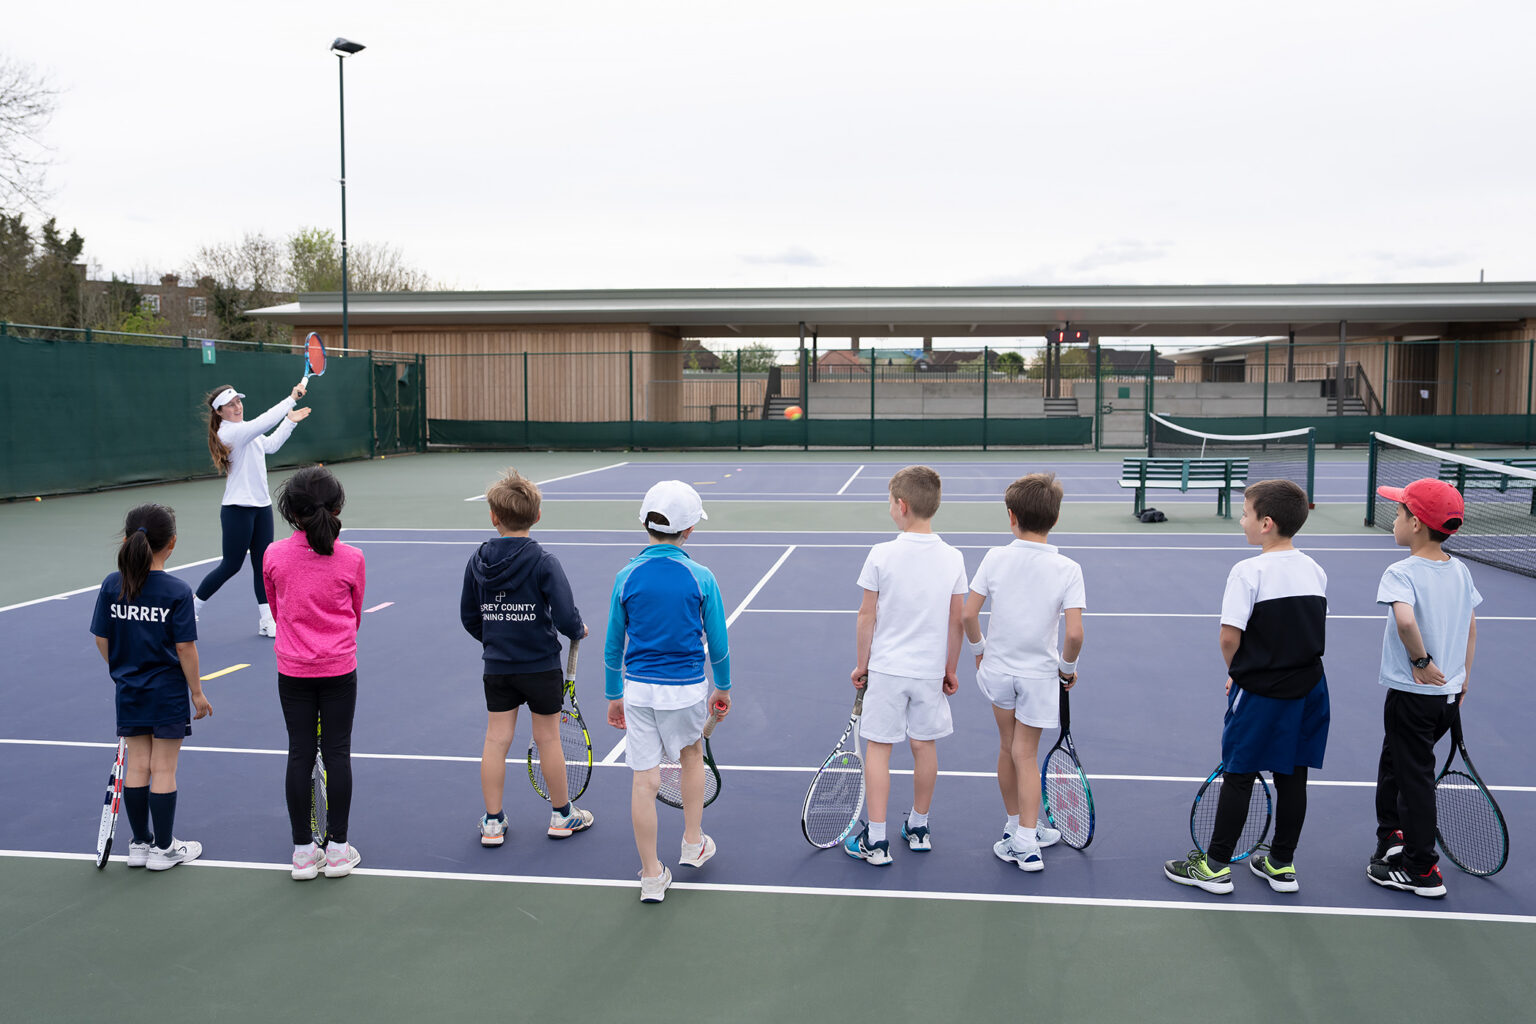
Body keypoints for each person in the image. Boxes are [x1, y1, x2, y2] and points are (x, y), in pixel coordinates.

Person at [1164, 479, 1329, 895]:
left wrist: (1239, 673)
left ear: (1266, 523)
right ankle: (1281, 863)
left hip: (1261, 695)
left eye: (1245, 514)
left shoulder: (1247, 571)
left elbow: (1228, 637)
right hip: (1311, 689)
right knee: (1294, 777)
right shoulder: (1315, 569)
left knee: (1239, 774)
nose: (1242, 521)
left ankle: (1215, 866)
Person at [604, 481, 731, 903]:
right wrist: (724, 688)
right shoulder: (702, 576)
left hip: (638, 692)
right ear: (690, 530)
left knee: (645, 781)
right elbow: (719, 641)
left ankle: (651, 875)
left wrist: (612, 694)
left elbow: (612, 644)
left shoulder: (627, 575)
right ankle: (693, 842)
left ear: (645, 523)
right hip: (686, 693)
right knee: (691, 757)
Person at [460, 469, 591, 847]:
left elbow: (470, 616)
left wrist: (496, 640)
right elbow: (567, 617)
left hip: (498, 667)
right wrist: (578, 629)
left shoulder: (478, 560)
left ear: (493, 516)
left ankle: (492, 822)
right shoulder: (544, 561)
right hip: (540, 666)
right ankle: (562, 815)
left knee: (495, 740)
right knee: (548, 739)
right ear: (537, 516)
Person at [962, 473, 1084, 872]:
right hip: (1038, 677)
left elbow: (967, 613)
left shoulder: (995, 557)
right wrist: (1067, 669)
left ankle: (1017, 828)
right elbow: (1075, 634)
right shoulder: (1068, 568)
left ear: (1011, 516)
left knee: (1007, 748)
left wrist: (979, 649)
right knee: (1026, 754)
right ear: (1056, 517)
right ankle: (1027, 841)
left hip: (998, 672)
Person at [845, 465, 967, 865]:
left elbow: (867, 616)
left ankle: (875, 841)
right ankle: (918, 826)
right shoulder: (953, 557)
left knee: (879, 749)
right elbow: (957, 621)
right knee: (923, 745)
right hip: (930, 671)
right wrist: (951, 668)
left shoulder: (881, 554)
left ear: (901, 506)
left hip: (887, 669)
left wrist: (861, 665)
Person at [1366, 478, 1479, 899]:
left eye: (1399, 513)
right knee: (1396, 764)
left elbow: (1406, 621)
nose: (1394, 519)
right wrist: (1461, 678)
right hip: (1446, 698)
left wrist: (1420, 662)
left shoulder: (1400, 571)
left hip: (1413, 696)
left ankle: (1421, 869)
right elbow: (1470, 626)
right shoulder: (1461, 569)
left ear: (1415, 524)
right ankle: (1392, 836)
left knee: (1414, 779)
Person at [89, 503, 213, 871]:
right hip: (167, 693)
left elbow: (101, 638)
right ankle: (163, 849)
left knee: (138, 765)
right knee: (164, 768)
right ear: (172, 543)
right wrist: (197, 692)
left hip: (129, 691)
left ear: (127, 539)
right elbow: (185, 648)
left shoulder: (113, 584)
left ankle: (140, 844)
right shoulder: (177, 590)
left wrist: (122, 671)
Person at [262, 466, 366, 880]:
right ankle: (338, 850)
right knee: (337, 753)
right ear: (337, 507)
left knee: (300, 753)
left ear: (292, 512)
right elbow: (354, 615)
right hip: (339, 669)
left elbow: (276, 608)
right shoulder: (352, 558)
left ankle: (303, 853)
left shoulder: (273, 555)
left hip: (293, 671)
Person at [195, 382, 312, 637]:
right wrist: (290, 399)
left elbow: (270, 446)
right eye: (231, 404)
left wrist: (290, 421)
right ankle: (191, 608)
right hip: (237, 509)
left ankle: (266, 620)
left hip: (262, 507)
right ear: (219, 412)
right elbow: (263, 422)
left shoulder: (245, 431)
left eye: (238, 401)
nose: (237, 407)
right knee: (231, 565)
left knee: (262, 566)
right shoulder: (230, 433)